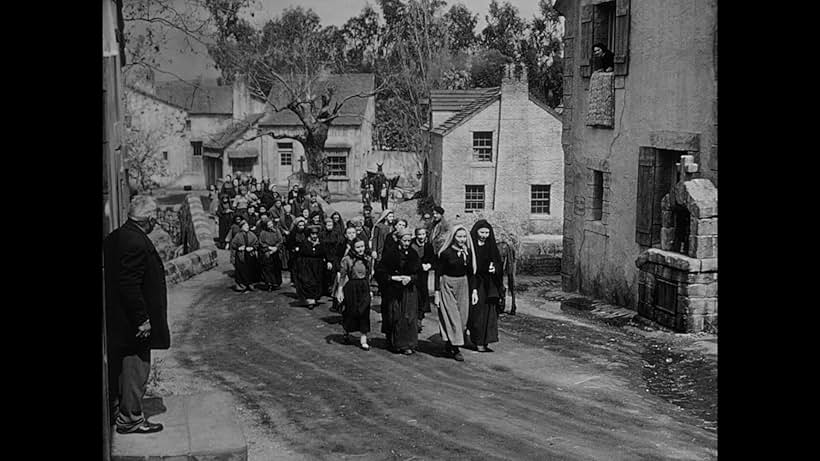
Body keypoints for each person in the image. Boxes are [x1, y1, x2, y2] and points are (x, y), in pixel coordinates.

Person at [104, 195, 170, 434]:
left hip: (117, 318)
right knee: (136, 367)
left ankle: (118, 411)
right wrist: (142, 319)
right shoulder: (137, 242)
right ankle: (131, 418)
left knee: (120, 368)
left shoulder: (117, 236)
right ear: (150, 219)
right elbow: (129, 284)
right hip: (132, 321)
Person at [434, 224, 477, 362]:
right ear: (453, 237)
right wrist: (436, 293)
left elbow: (471, 274)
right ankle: (455, 348)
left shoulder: (467, 252)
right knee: (452, 316)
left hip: (463, 285)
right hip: (447, 284)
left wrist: (474, 290)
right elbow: (438, 273)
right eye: (459, 236)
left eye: (464, 236)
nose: (462, 239)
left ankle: (449, 342)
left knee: (463, 317)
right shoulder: (445, 253)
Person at [375, 228, 420, 355]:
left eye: (409, 241)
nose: (407, 243)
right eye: (404, 240)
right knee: (395, 316)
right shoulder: (390, 254)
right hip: (393, 290)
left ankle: (408, 344)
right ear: (399, 240)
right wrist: (393, 278)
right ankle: (395, 343)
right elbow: (380, 272)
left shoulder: (413, 254)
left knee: (409, 317)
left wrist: (410, 278)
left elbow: (419, 274)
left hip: (409, 291)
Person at [467, 220, 503, 352]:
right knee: (477, 313)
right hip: (475, 282)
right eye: (482, 232)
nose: (484, 235)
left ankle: (486, 340)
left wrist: (495, 269)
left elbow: (498, 263)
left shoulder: (491, 246)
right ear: (476, 232)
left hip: (489, 284)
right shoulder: (470, 247)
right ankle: (477, 341)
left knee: (489, 313)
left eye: (487, 232)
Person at [336, 238, 374, 350]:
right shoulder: (347, 259)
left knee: (364, 311)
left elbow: (369, 275)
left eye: (362, 246)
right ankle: (346, 332)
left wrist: (370, 289)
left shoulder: (367, 258)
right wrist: (340, 290)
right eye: (358, 247)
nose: (361, 249)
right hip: (352, 287)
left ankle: (363, 339)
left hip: (364, 287)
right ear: (353, 248)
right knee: (351, 311)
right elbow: (342, 276)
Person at [296, 225, 332, 309]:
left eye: (316, 234)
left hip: (318, 265)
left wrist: (328, 261)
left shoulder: (321, 243)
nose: (314, 236)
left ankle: (314, 298)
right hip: (307, 265)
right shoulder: (304, 243)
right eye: (312, 234)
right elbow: (300, 255)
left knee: (317, 281)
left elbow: (326, 253)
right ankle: (310, 299)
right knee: (307, 281)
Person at [410, 227, 435, 333]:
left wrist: (429, 264)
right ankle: (413, 320)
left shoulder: (428, 245)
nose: (421, 237)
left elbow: (432, 258)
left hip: (423, 275)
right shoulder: (411, 244)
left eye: (423, 234)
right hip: (413, 273)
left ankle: (420, 319)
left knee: (422, 295)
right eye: (419, 234)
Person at [230, 219, 259, 292]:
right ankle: (242, 286)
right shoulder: (238, 235)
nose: (247, 227)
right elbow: (233, 245)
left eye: (247, 225)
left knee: (251, 270)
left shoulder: (252, 234)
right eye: (245, 226)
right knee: (241, 271)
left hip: (250, 255)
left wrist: (252, 247)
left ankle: (250, 284)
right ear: (241, 227)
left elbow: (257, 243)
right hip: (241, 255)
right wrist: (239, 248)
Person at [258, 218, 284, 291]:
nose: (270, 225)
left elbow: (280, 240)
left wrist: (276, 248)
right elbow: (261, 243)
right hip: (267, 251)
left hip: (276, 251)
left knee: (276, 267)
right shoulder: (263, 233)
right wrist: (269, 248)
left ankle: (276, 283)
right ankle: (269, 283)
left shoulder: (276, 231)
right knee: (268, 269)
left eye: (271, 223)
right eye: (268, 224)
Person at [320, 217, 343, 297]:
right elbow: (322, 247)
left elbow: (338, 245)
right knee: (325, 273)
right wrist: (326, 259)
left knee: (333, 273)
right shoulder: (322, 234)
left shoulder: (336, 234)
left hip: (334, 256)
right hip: (325, 256)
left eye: (331, 224)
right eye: (328, 225)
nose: (329, 226)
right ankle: (324, 289)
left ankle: (332, 289)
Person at [286, 218, 309, 297]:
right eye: (300, 225)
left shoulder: (306, 233)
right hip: (296, 256)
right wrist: (294, 248)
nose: (301, 227)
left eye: (303, 225)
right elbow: (289, 244)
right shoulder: (293, 234)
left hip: (305, 256)